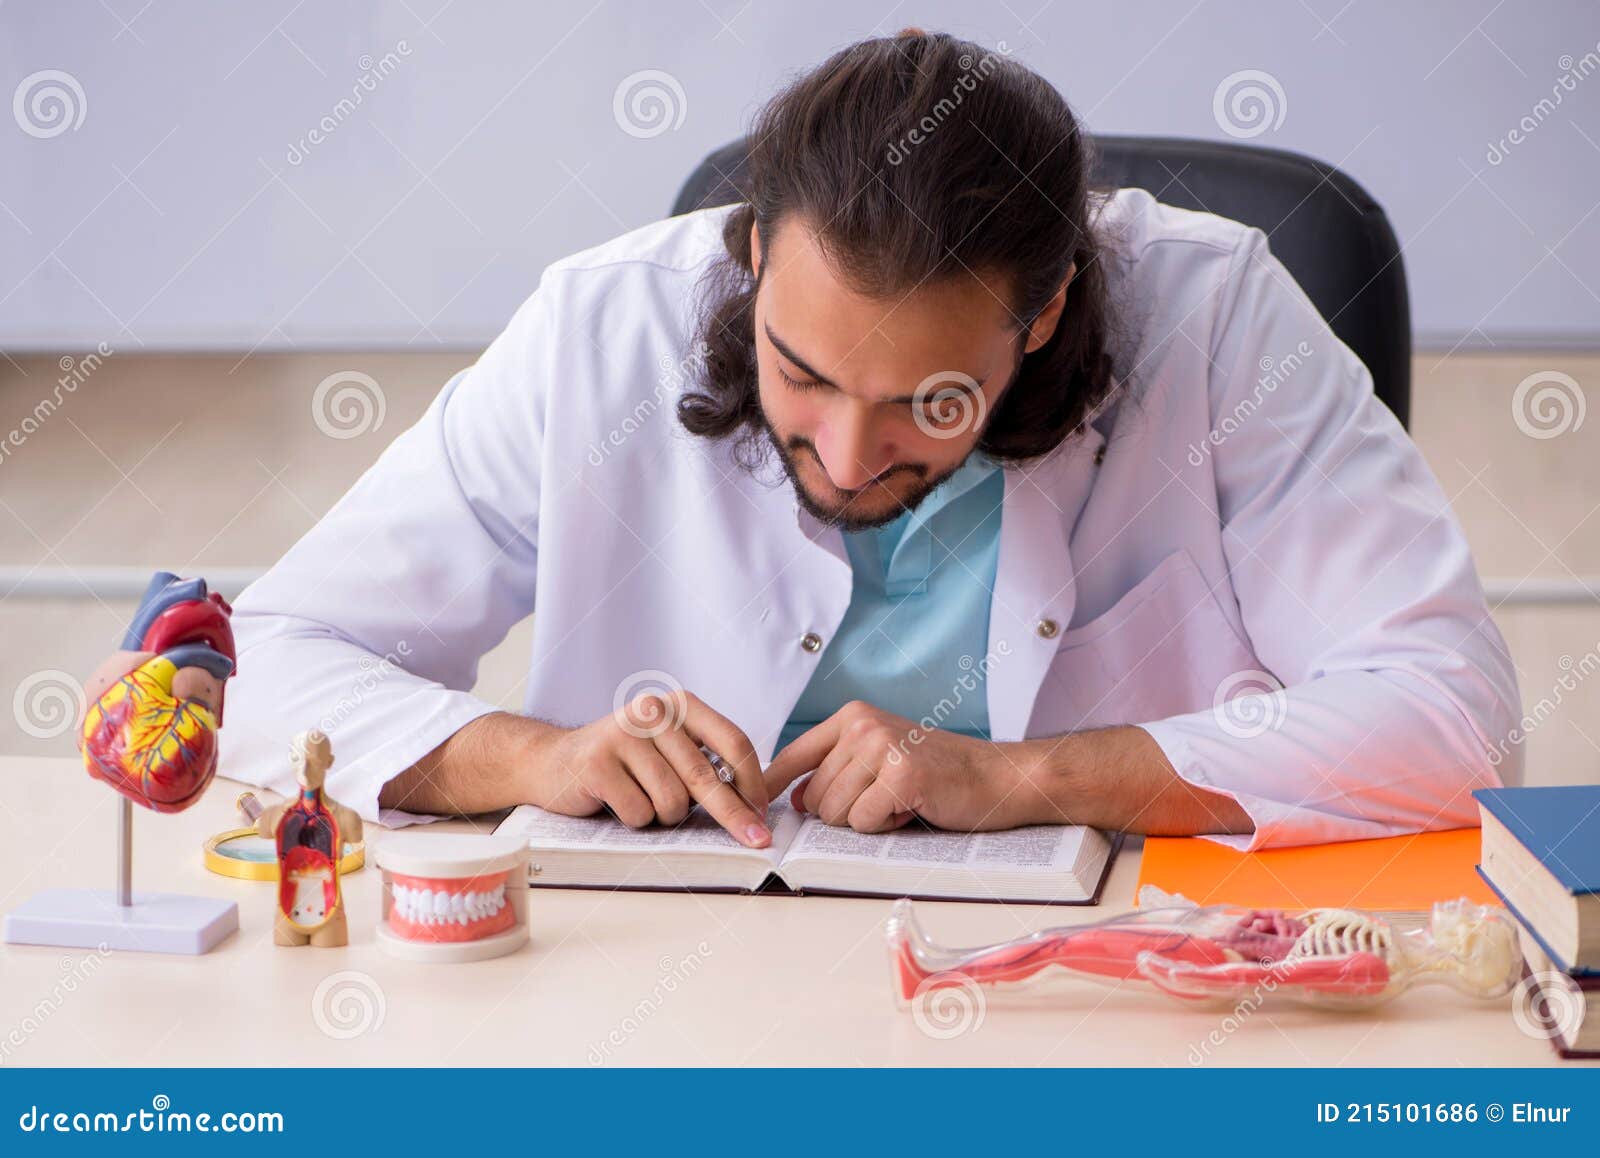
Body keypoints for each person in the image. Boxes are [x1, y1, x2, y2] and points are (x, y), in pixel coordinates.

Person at [225, 30, 1520, 851]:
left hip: (1105, 997)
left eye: (930, 401)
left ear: (1049, 309)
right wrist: (540, 755)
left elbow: (1451, 715)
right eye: (804, 374)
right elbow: (275, 657)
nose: (847, 457)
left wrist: (1027, 779)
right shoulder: (602, 330)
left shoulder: (1219, 318)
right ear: (748, 262)